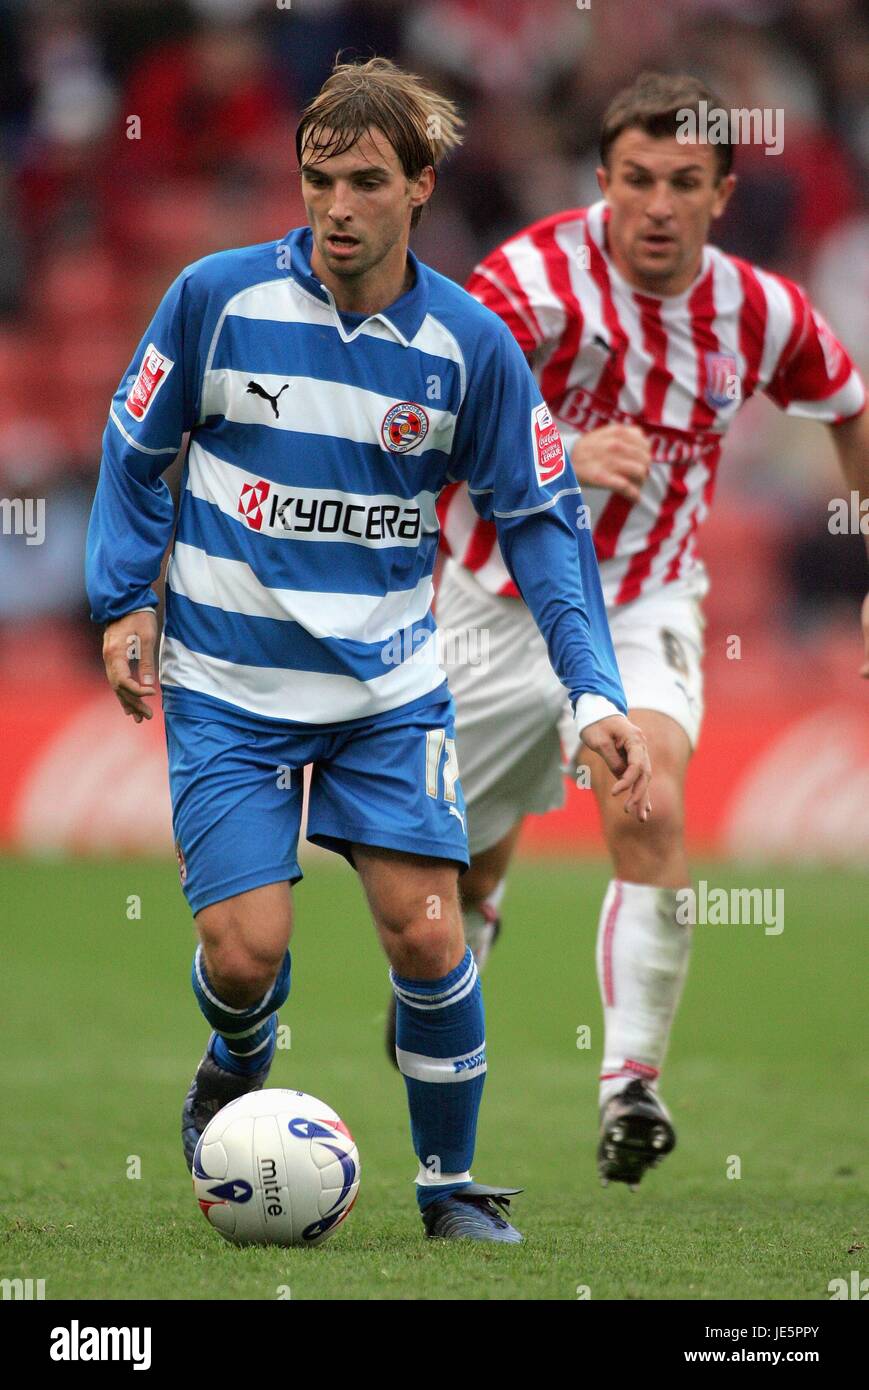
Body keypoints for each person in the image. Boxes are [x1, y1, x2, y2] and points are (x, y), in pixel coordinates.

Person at [85, 57, 650, 1244]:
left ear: (420, 188)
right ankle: (235, 1052)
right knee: (245, 956)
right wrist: (121, 598)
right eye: (316, 180)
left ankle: (449, 1188)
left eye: (364, 182)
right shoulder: (215, 299)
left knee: (430, 932)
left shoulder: (468, 346)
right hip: (230, 686)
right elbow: (139, 445)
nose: (335, 206)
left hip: (387, 690)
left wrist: (594, 688)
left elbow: (542, 522)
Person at [427, 71, 868, 1188]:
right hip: (496, 599)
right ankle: (476, 914)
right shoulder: (523, 281)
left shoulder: (758, 311)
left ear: (721, 193)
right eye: (636, 179)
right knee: (456, 876)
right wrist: (560, 456)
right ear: (602, 182)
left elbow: (847, 409)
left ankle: (629, 1083)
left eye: (683, 182)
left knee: (648, 793)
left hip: (641, 600)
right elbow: (430, 418)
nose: (657, 204)